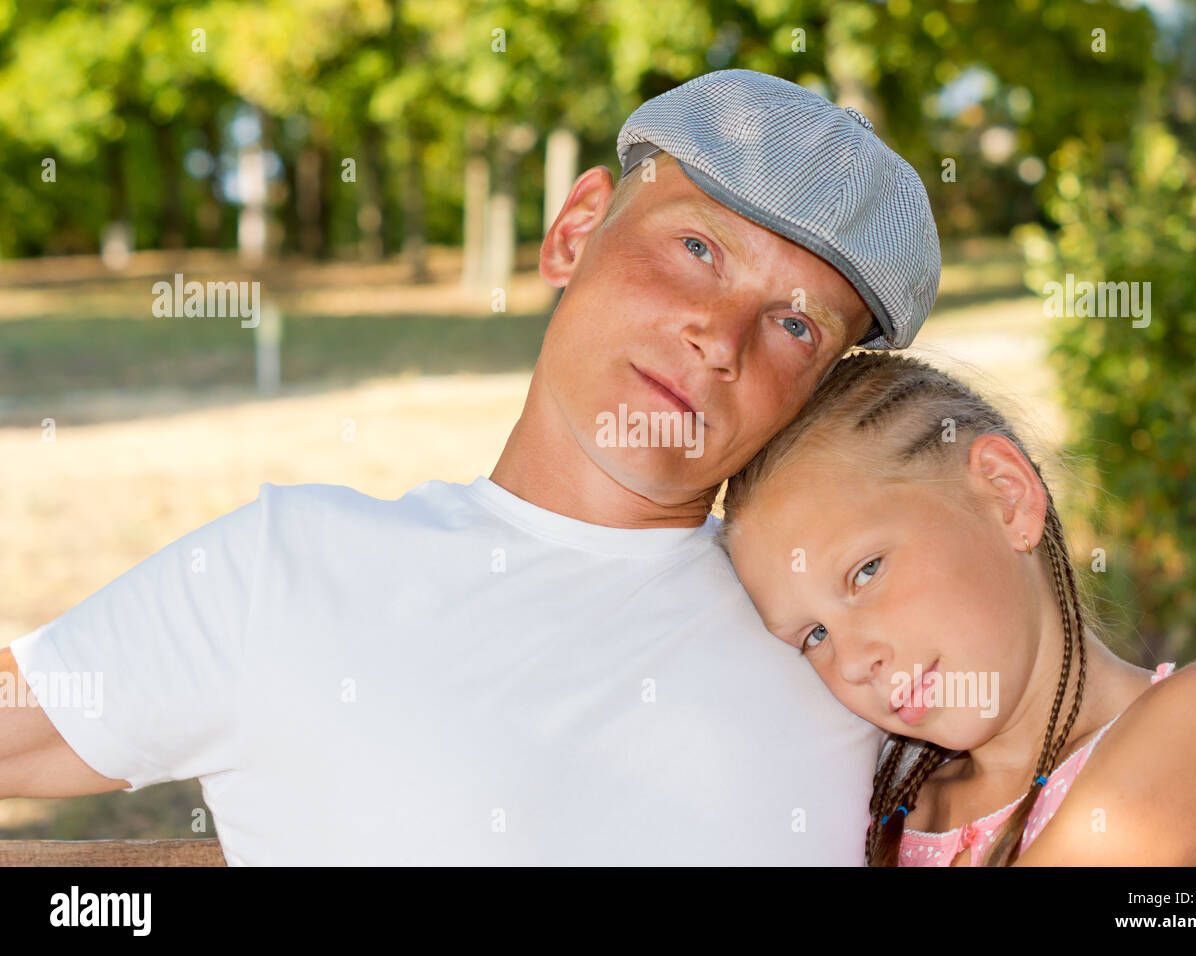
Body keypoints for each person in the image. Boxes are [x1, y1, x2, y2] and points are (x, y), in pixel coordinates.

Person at [0, 70, 942, 865]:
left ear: (819, 386)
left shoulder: (848, 634)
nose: (719, 337)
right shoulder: (285, 570)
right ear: (575, 231)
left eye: (794, 323)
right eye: (697, 247)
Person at [721, 351, 1196, 866]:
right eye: (814, 635)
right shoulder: (903, 818)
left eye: (866, 571)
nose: (852, 661)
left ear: (1006, 495)